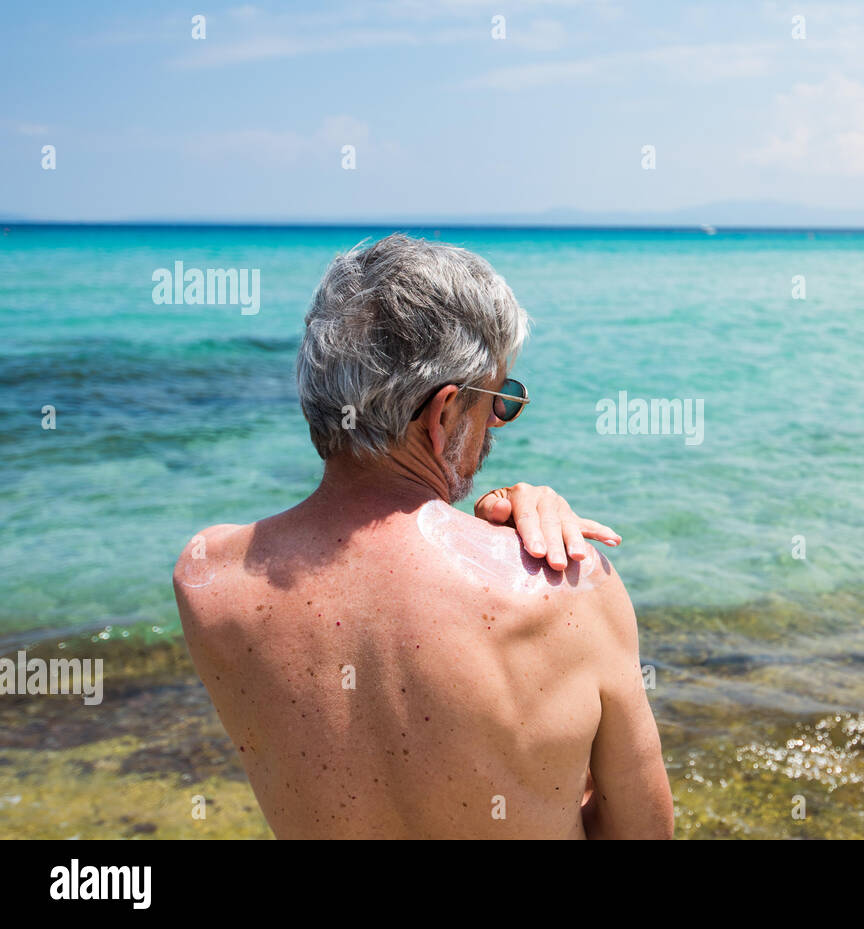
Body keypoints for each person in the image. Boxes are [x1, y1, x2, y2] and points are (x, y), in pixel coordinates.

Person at [173, 234, 673, 839]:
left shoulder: (209, 580)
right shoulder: (570, 590)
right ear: (442, 415)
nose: (497, 425)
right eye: (500, 400)